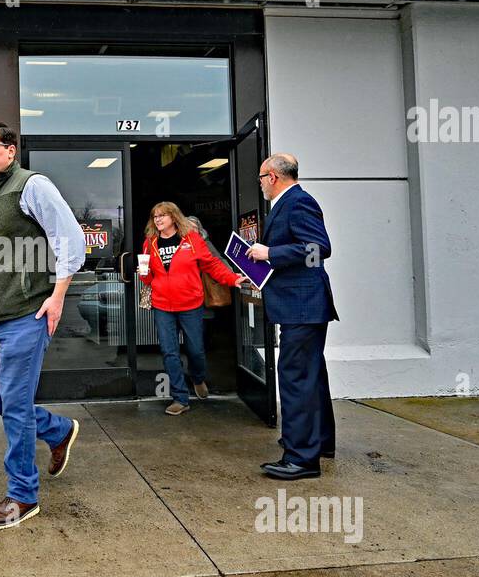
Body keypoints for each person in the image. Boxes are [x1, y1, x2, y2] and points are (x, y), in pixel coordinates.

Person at [0, 121, 87, 531]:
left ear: (10, 150)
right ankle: (58, 429)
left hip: (27, 316)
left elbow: (70, 240)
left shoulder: (33, 186)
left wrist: (57, 296)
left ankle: (23, 496)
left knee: (14, 404)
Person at [247, 153, 339, 480]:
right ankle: (321, 443)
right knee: (311, 376)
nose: (259, 184)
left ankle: (301, 459)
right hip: (301, 304)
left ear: (272, 176)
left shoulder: (298, 202)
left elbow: (318, 248)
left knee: (295, 377)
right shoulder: (288, 204)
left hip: (303, 305)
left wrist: (269, 252)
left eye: (260, 178)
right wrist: (257, 269)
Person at [139, 202, 247, 415]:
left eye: (163, 216)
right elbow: (148, 278)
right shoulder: (149, 243)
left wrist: (232, 278)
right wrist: (144, 271)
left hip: (190, 304)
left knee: (195, 350)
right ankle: (180, 398)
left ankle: (198, 377)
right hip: (162, 305)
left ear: (174, 217)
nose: (158, 220)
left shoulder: (192, 239)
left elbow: (211, 264)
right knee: (169, 352)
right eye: (155, 216)